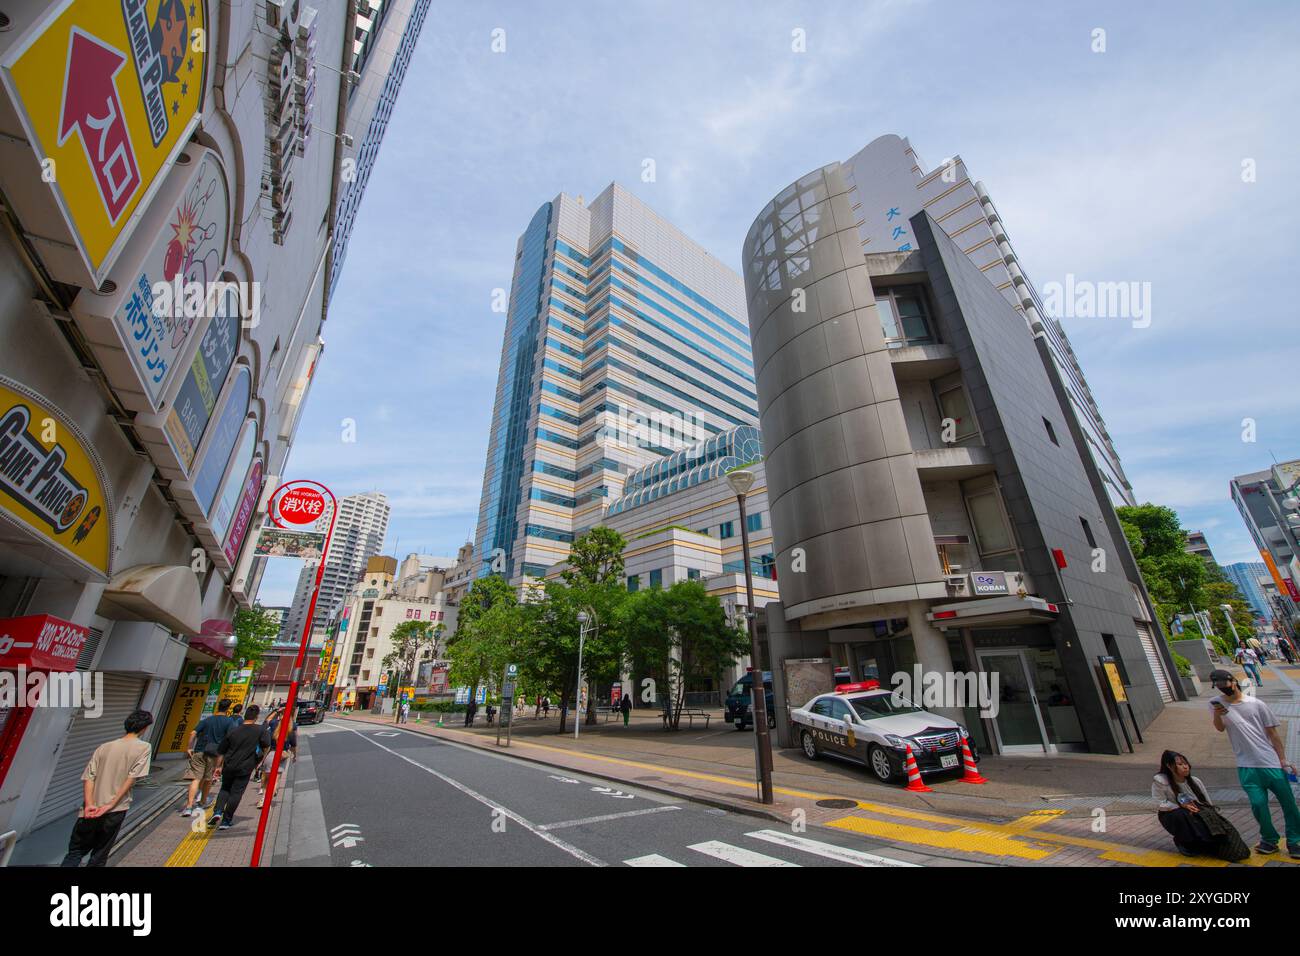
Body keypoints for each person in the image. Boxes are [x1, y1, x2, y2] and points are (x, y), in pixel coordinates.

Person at [1209, 669, 1300, 856]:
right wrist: (1218, 714)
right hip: (1246, 765)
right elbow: (1219, 728)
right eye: (1217, 686)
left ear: (1233, 682)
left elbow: (1273, 734)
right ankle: (1269, 839)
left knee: (1288, 804)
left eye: (1223, 684)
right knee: (1258, 805)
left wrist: (1283, 760)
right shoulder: (1215, 704)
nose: (1221, 689)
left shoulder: (1256, 704)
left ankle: (1295, 841)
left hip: (1270, 763)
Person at [62, 710, 154, 867]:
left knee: (75, 853)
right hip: (115, 810)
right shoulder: (144, 748)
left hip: (89, 810)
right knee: (99, 855)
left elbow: (89, 777)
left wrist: (90, 804)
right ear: (144, 728)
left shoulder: (104, 747)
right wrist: (110, 805)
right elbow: (131, 778)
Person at [1152, 750, 1249, 861]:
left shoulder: (1195, 781)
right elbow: (1159, 803)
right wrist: (1180, 806)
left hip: (1197, 811)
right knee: (1183, 815)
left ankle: (1207, 844)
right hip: (1173, 814)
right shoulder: (1161, 782)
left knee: (1209, 822)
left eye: (1185, 763)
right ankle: (1185, 842)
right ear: (1169, 766)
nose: (1185, 767)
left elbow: (1207, 802)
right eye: (1180, 764)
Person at [210, 704, 274, 831]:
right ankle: (226, 820)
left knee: (225, 789)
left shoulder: (233, 730)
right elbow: (266, 746)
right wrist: (260, 761)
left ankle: (217, 812)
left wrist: (218, 767)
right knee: (236, 792)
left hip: (229, 765)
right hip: (246, 766)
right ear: (256, 717)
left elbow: (222, 751)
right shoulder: (260, 730)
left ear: (244, 715)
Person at [180, 698, 235, 816]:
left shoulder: (207, 720)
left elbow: (193, 733)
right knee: (208, 778)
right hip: (214, 754)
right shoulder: (229, 722)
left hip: (199, 751)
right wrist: (221, 762)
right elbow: (229, 739)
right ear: (228, 709)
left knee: (196, 778)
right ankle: (202, 802)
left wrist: (189, 747)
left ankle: (189, 806)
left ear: (217, 707)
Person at [256, 722, 297, 810]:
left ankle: (263, 799)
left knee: (267, 779)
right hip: (281, 756)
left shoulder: (273, 731)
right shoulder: (290, 732)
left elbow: (266, 745)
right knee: (275, 781)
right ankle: (266, 802)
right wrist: (295, 755)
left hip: (271, 754)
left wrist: (263, 759)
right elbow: (293, 746)